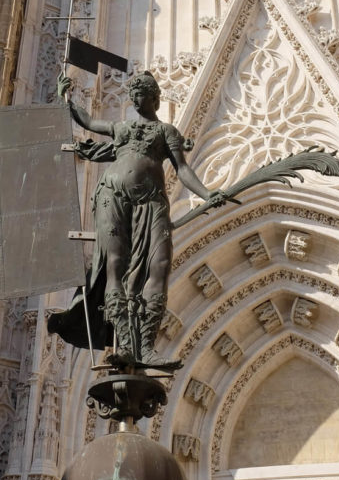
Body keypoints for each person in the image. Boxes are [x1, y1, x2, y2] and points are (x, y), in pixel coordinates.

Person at [48, 69, 225, 368]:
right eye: (134, 95)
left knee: (160, 265)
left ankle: (146, 345)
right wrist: (66, 99)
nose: (137, 98)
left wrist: (207, 194)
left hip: (151, 203)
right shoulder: (122, 129)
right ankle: (126, 344)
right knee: (114, 265)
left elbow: (182, 169)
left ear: (156, 99)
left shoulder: (166, 132)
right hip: (111, 197)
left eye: (143, 94)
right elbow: (89, 122)